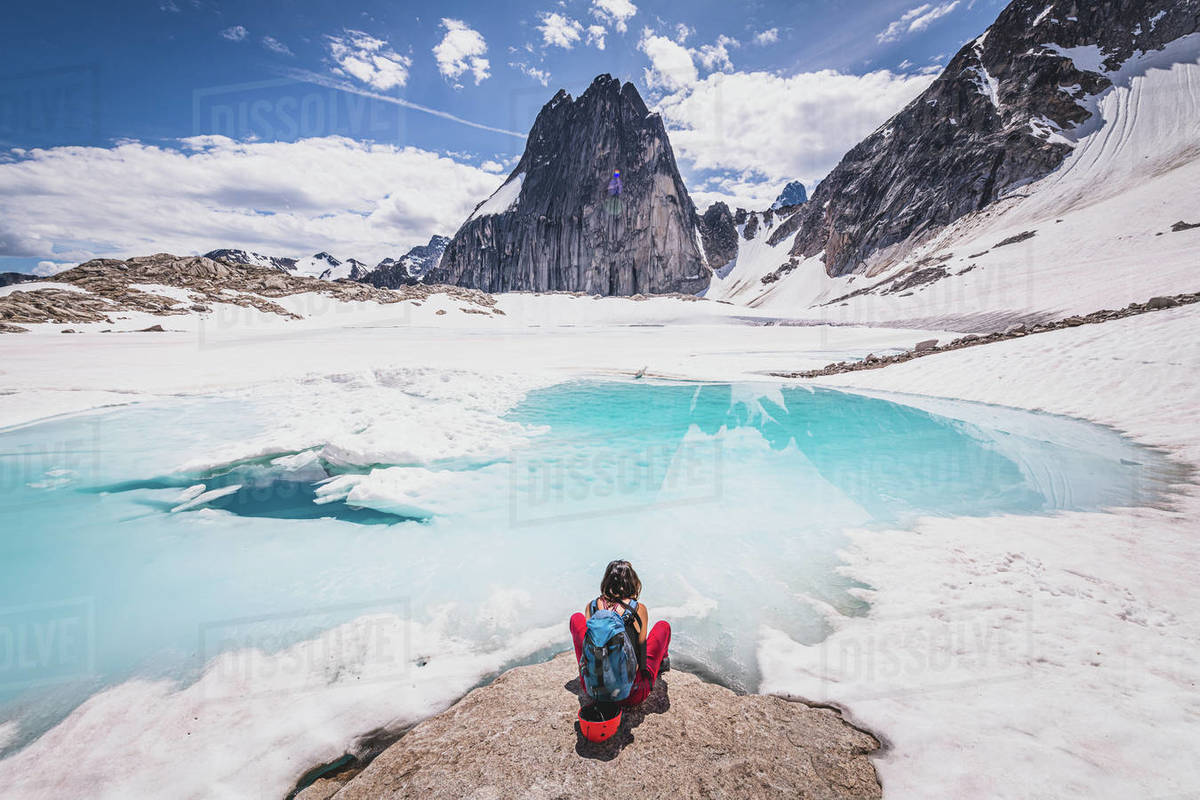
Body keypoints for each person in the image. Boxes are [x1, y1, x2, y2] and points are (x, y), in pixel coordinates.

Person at [570, 560, 671, 706]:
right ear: (632, 582)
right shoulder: (638, 609)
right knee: (663, 626)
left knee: (576, 619)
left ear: (606, 581)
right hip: (631, 694)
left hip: (594, 691)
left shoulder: (591, 607)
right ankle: (663, 661)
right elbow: (642, 657)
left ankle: (590, 672)